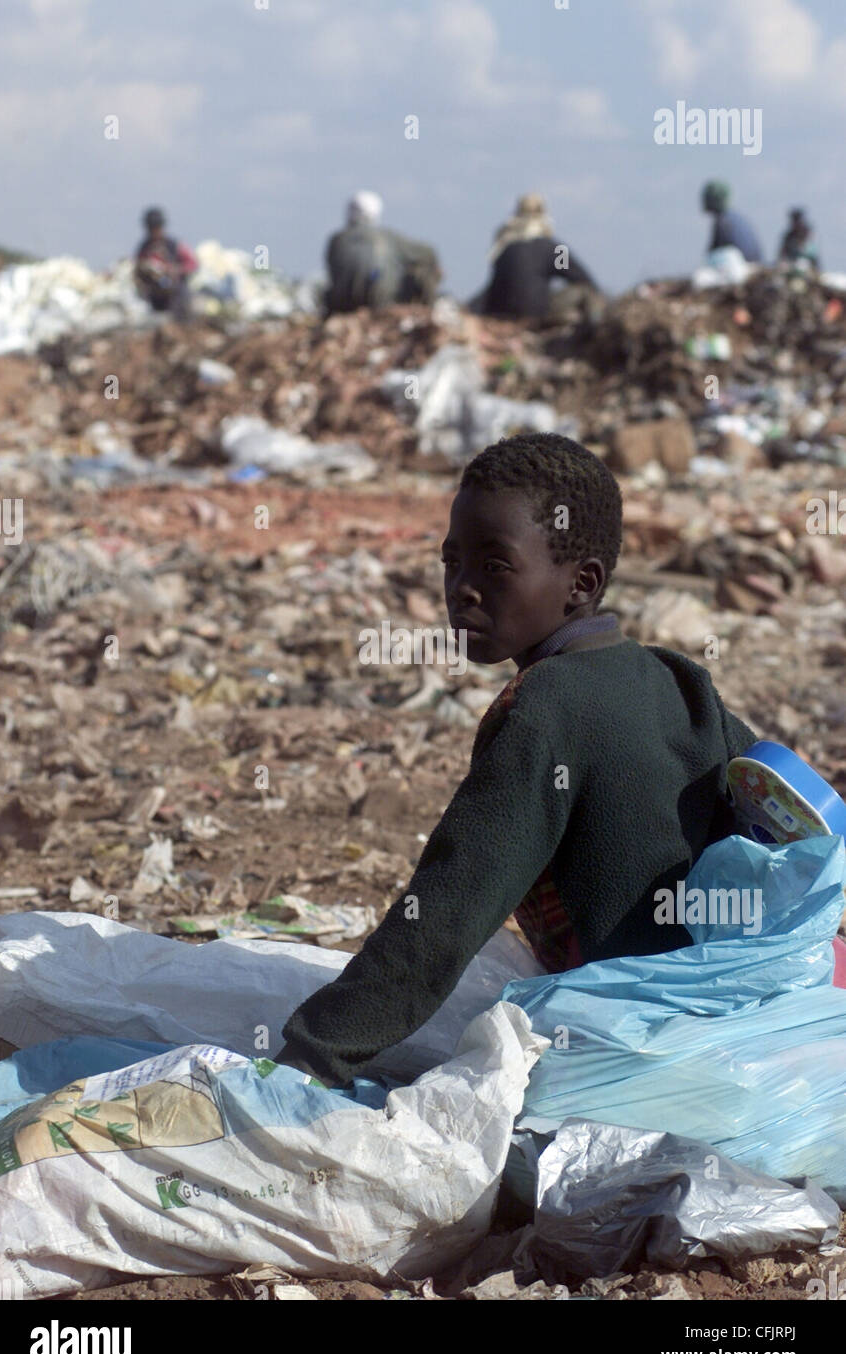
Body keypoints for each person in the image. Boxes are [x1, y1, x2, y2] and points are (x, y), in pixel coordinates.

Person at [275, 433, 756, 1086]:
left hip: (618, 1053)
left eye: (494, 567)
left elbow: (451, 905)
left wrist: (309, 1057)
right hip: (722, 1026)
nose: (462, 590)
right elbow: (786, 817)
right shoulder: (680, 680)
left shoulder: (545, 707)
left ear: (580, 583)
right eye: (452, 563)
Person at [482, 193, 598, 318]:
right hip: (538, 314)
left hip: (502, 315)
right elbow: (580, 278)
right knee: (584, 291)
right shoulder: (553, 248)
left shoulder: (504, 248)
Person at [324, 191, 441, 313]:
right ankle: (429, 311)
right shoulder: (388, 237)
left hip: (341, 304)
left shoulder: (336, 240)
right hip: (382, 301)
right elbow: (428, 253)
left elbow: (333, 272)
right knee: (420, 271)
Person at [133, 208, 198, 320]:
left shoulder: (174, 245)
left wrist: (175, 270)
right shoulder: (144, 248)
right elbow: (137, 269)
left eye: (156, 227)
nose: (154, 231)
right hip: (154, 295)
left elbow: (192, 264)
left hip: (176, 295)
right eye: (151, 228)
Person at [701, 181, 762, 264]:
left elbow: (713, 250)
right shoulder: (735, 217)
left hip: (741, 265)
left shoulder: (722, 221)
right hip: (755, 262)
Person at [778, 208, 821, 272]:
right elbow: (782, 254)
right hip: (791, 266)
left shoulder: (807, 233)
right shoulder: (788, 236)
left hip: (806, 267)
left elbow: (814, 256)